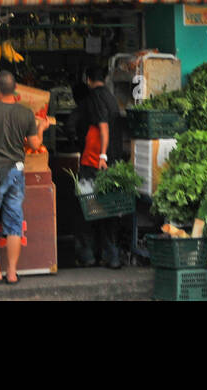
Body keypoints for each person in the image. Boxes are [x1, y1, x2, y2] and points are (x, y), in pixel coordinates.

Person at [0, 69, 51, 285]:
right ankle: (12, 272)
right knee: (14, 220)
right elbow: (35, 145)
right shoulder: (25, 113)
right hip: (16, 172)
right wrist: (42, 127)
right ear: (14, 91)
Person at [75, 66, 124, 269]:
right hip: (111, 160)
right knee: (109, 207)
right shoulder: (111, 97)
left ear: (87, 79)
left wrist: (102, 155)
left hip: (96, 161)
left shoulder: (94, 97)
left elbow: (102, 126)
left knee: (87, 207)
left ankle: (89, 256)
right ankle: (111, 256)